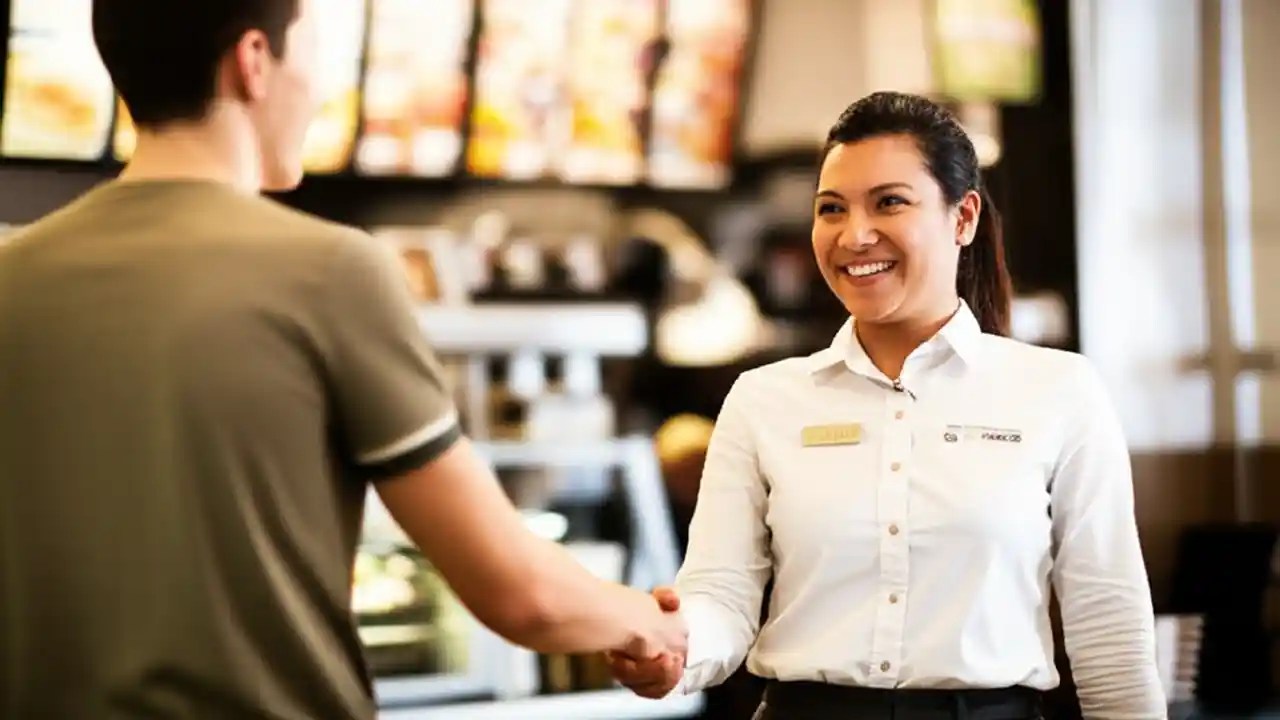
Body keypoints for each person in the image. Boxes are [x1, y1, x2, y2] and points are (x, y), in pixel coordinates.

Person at [0, 1, 684, 718]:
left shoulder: (14, 275)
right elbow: (522, 594)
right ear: (254, 61)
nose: (321, 92)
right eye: (313, 59)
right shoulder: (329, 270)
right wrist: (653, 622)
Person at [608, 91, 1166, 719]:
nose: (855, 235)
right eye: (831, 209)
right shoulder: (764, 400)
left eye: (890, 202)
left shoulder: (1058, 391)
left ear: (963, 218)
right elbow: (723, 596)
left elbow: (1107, 621)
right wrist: (676, 652)